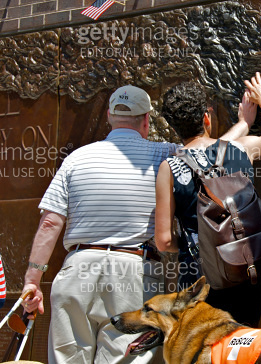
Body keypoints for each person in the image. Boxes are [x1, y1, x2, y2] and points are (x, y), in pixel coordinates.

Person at [20, 85, 178, 364]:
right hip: (133, 272)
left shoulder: (75, 159)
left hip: (77, 268)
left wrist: (32, 282)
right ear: (145, 120)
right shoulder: (165, 154)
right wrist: (243, 125)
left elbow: (50, 223)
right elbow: (211, 153)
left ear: (109, 116)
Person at [154, 72, 261, 327]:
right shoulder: (242, 148)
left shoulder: (169, 168)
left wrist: (199, 245)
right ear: (206, 117)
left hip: (200, 283)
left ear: (173, 126)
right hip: (246, 275)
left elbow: (163, 241)